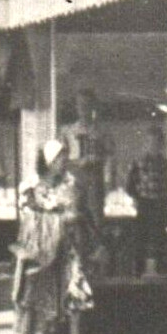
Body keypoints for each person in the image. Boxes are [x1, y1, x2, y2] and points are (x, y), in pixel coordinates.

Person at [12, 140, 95, 334]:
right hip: (44, 248)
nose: (63, 162)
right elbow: (27, 215)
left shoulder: (71, 183)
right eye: (59, 158)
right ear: (48, 161)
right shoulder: (32, 186)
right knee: (46, 294)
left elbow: (79, 211)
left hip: (69, 245)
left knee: (75, 291)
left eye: (65, 157)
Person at [59, 86, 112, 230]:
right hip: (76, 179)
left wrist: (107, 179)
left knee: (96, 219)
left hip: (95, 179)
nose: (83, 109)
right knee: (75, 218)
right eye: (80, 104)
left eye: (87, 105)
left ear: (93, 107)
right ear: (76, 107)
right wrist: (74, 165)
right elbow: (62, 159)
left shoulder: (101, 131)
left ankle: (99, 250)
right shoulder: (68, 131)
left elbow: (109, 156)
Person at [125, 124, 167, 275]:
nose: (153, 146)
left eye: (157, 143)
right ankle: (138, 271)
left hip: (161, 203)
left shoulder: (165, 164)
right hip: (144, 203)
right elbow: (129, 185)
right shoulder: (138, 162)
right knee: (141, 238)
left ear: (161, 144)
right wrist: (137, 198)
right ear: (146, 143)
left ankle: (161, 270)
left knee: (160, 237)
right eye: (150, 142)